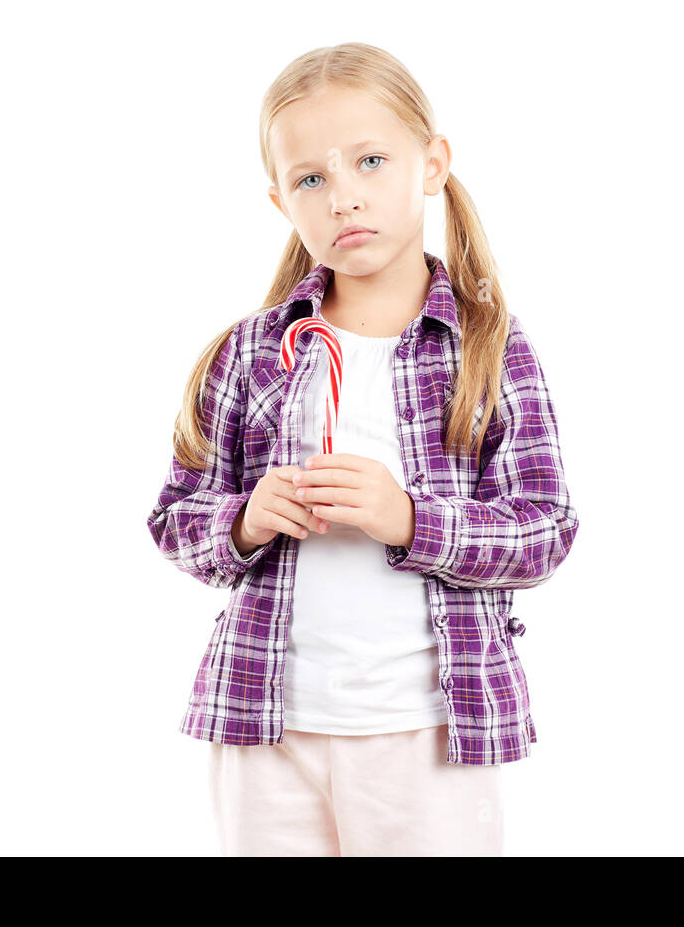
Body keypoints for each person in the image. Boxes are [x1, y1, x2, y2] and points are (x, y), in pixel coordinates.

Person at [146, 42, 579, 856]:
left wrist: (408, 517)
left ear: (432, 163)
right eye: (311, 178)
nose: (344, 197)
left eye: (371, 161)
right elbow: (177, 518)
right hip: (266, 723)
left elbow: (545, 531)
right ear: (282, 202)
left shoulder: (487, 349)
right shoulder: (251, 351)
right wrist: (245, 520)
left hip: (428, 730)